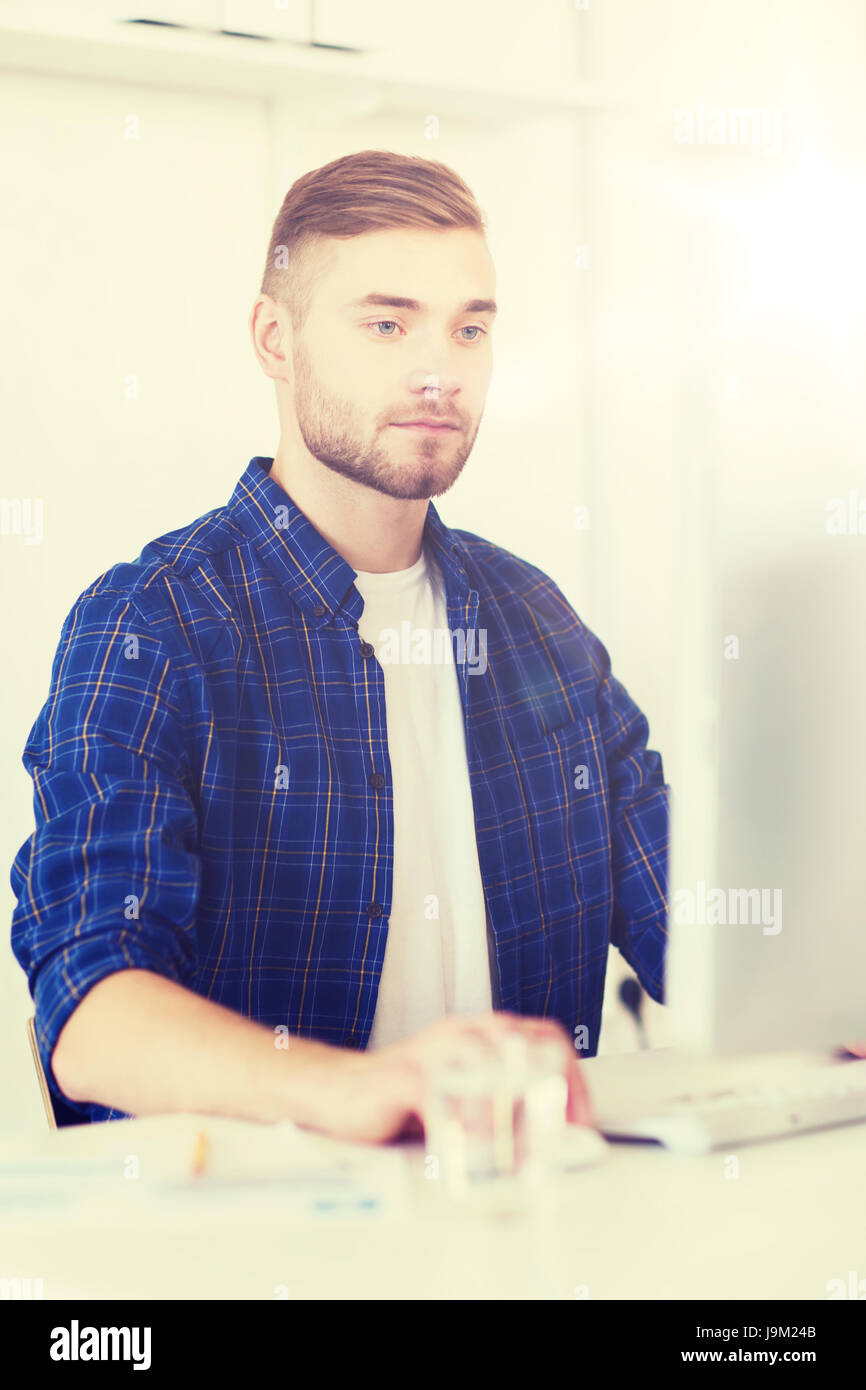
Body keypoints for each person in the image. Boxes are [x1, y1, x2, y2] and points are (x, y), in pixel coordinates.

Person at [10, 150, 669, 1140]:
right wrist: (360, 1090)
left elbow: (690, 921)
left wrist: (825, 999)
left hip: (529, 1228)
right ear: (275, 339)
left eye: (469, 328)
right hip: (256, 1253)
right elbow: (94, 1011)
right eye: (386, 323)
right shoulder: (153, 626)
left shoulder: (539, 625)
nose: (438, 370)